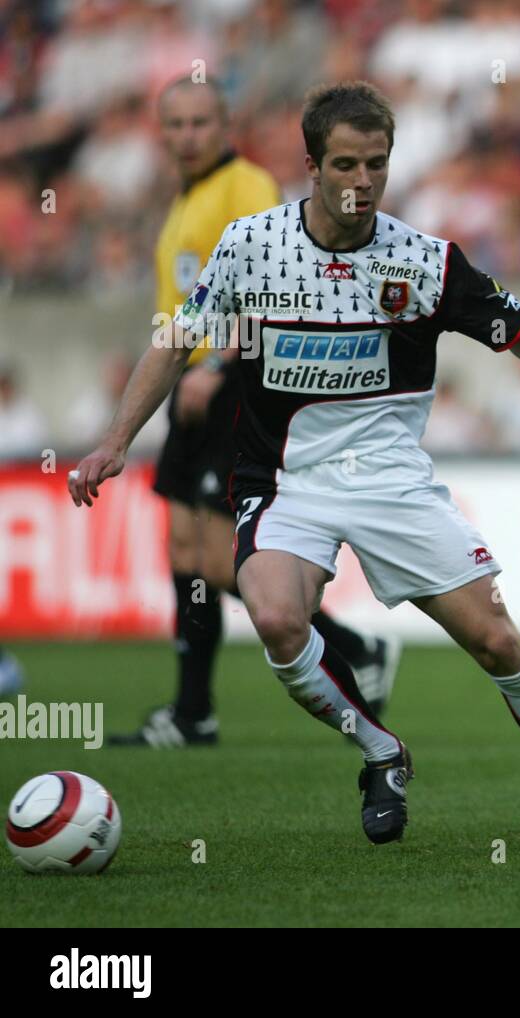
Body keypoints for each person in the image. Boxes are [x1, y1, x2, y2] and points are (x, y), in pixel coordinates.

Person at [70, 81, 520, 848]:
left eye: (376, 164)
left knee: (500, 643)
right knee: (275, 615)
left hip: (390, 480)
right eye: (345, 164)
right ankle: (381, 749)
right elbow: (177, 340)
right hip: (286, 483)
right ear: (311, 164)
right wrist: (114, 441)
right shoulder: (253, 246)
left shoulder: (425, 261)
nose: (363, 181)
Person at [111, 78, 398, 750]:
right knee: (183, 549)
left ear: (223, 124)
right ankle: (191, 712)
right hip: (190, 393)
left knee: (217, 560)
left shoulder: (243, 185)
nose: (187, 136)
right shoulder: (188, 199)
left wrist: (215, 365)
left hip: (230, 387)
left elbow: (278, 275)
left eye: (199, 123)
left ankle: (353, 646)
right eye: (174, 124)